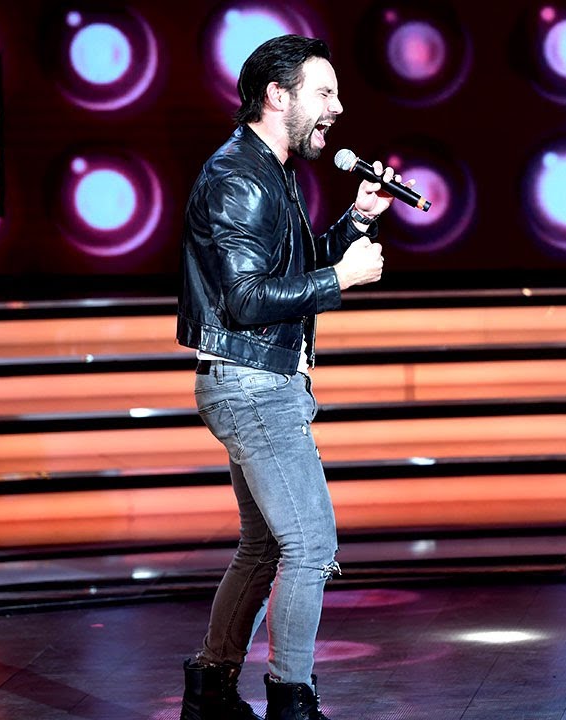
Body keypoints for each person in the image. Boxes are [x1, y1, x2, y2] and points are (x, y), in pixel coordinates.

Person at [175, 34, 410, 720]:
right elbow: (246, 300)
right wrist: (340, 277)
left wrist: (354, 221)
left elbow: (283, 274)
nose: (337, 107)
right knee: (310, 546)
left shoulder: (269, 168)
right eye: (324, 92)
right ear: (277, 96)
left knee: (266, 543)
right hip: (253, 383)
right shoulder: (238, 178)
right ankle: (291, 697)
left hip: (257, 377)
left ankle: (213, 682)